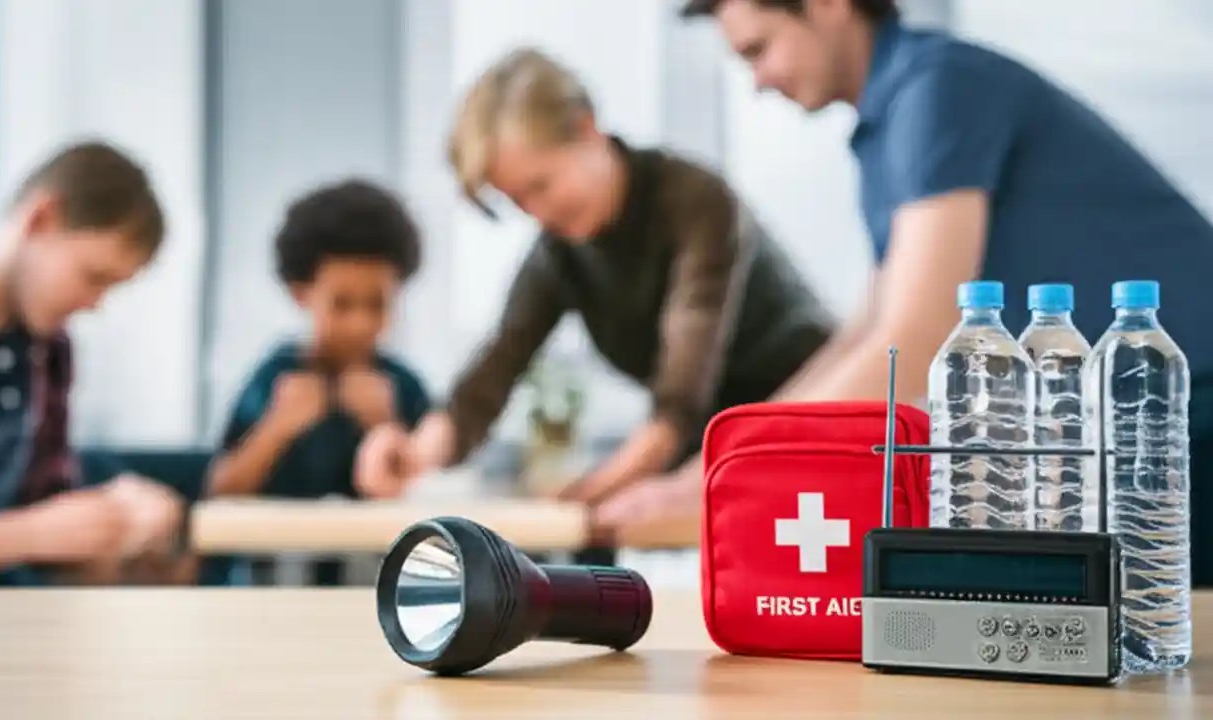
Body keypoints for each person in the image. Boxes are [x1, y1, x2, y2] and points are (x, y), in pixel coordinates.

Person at [599, 0, 1213, 581]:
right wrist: (710, 471)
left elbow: (914, 338)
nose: (758, 81)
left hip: (1183, 412)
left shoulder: (939, 87)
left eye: (759, 49)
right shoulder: (890, 121)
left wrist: (735, 479)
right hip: (1126, 428)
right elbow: (864, 334)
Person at [356, 48, 831, 517]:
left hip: (815, 421)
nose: (537, 212)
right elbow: (497, 366)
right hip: (712, 445)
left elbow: (681, 393)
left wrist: (595, 491)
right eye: (517, 200)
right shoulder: (559, 251)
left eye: (540, 185)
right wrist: (414, 454)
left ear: (587, 128)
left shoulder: (696, 202)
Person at [0, 141, 184, 585]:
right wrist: (29, 535)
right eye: (94, 277)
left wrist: (117, 532)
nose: (95, 303)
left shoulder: (51, 353)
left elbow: (48, 532)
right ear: (40, 219)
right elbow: (33, 534)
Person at [207, 180, 430, 583]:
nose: (360, 324)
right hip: (273, 585)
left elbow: (430, 502)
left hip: (375, 585)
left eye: (377, 304)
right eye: (341, 304)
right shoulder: (276, 376)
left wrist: (384, 424)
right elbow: (220, 490)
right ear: (301, 294)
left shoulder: (403, 387)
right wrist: (278, 426)